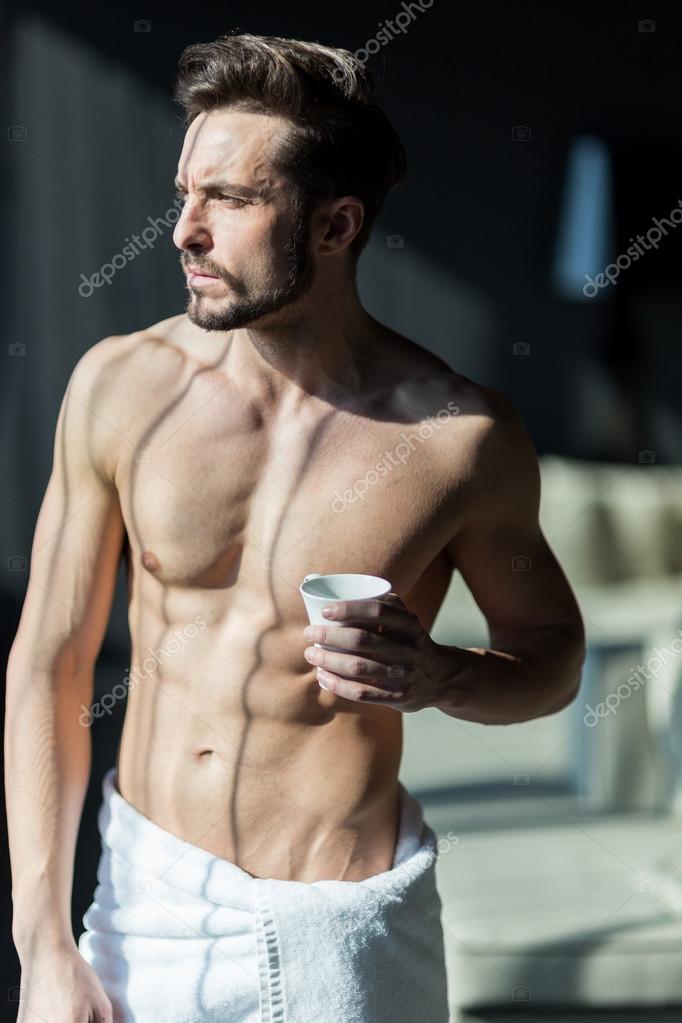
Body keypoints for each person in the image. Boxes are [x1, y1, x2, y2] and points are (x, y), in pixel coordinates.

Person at [6, 31, 585, 1023]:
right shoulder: (121, 387)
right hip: (144, 909)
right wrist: (41, 944)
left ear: (334, 224)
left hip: (340, 934)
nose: (185, 231)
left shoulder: (457, 438)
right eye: (184, 194)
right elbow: (49, 664)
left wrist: (444, 676)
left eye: (230, 200)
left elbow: (554, 659)